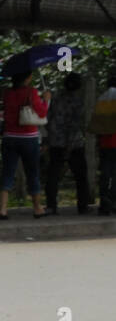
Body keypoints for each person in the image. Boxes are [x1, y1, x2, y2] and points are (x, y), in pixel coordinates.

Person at [0, 72, 50, 220]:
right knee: (32, 172)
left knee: (7, 172)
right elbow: (42, 112)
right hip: (28, 137)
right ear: (26, 78)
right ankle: (37, 208)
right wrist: (46, 100)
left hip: (9, 137)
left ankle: (2, 210)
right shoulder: (31, 92)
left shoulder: (7, 93)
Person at [44, 72, 91, 215]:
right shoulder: (78, 101)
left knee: (53, 174)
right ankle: (82, 206)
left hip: (56, 142)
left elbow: (49, 119)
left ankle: (51, 205)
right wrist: (70, 145)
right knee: (81, 176)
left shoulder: (56, 98)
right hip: (75, 143)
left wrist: (50, 137)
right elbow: (75, 124)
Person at [91, 73, 116, 215]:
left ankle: (104, 204)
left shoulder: (101, 99)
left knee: (105, 174)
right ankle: (114, 202)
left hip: (105, 142)